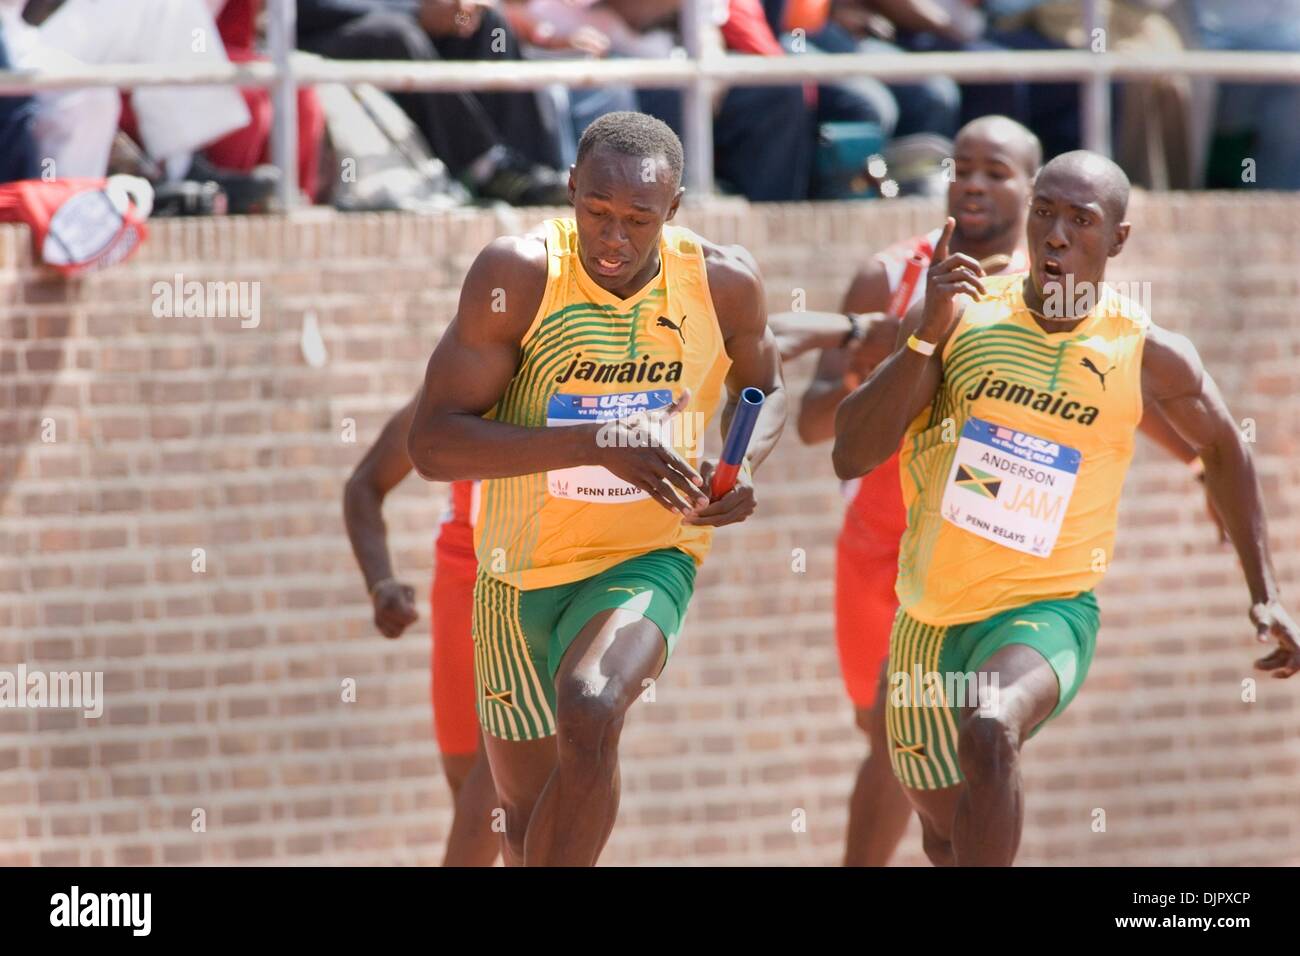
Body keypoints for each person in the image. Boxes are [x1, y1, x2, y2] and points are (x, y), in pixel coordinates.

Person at [831, 150, 1300, 866]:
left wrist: (1265, 593)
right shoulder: (961, 318)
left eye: (1080, 221)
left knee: (991, 726)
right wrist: (923, 334)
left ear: (1117, 240)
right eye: (1045, 212)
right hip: (927, 621)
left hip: (1047, 611)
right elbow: (851, 454)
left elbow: (1228, 448)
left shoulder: (1144, 352)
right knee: (946, 838)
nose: (1055, 235)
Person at [406, 111, 787, 865]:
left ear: (673, 211)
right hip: (518, 576)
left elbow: (765, 391)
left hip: (648, 557)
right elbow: (432, 444)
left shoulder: (722, 283)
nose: (613, 239)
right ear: (572, 189)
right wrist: (589, 443)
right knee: (523, 823)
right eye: (596, 214)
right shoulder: (517, 275)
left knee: (593, 703)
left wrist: (740, 466)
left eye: (638, 221)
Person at [343, 400, 497, 866]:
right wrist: (381, 583)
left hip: (548, 580)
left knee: (503, 783)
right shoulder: (462, 378)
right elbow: (364, 486)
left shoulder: (580, 361)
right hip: (463, 582)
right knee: (470, 787)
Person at [296, 0, 571, 205]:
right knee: (396, 34)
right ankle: (486, 169)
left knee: (488, 24)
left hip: (393, 16)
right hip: (315, 33)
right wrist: (414, 10)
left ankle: (532, 173)